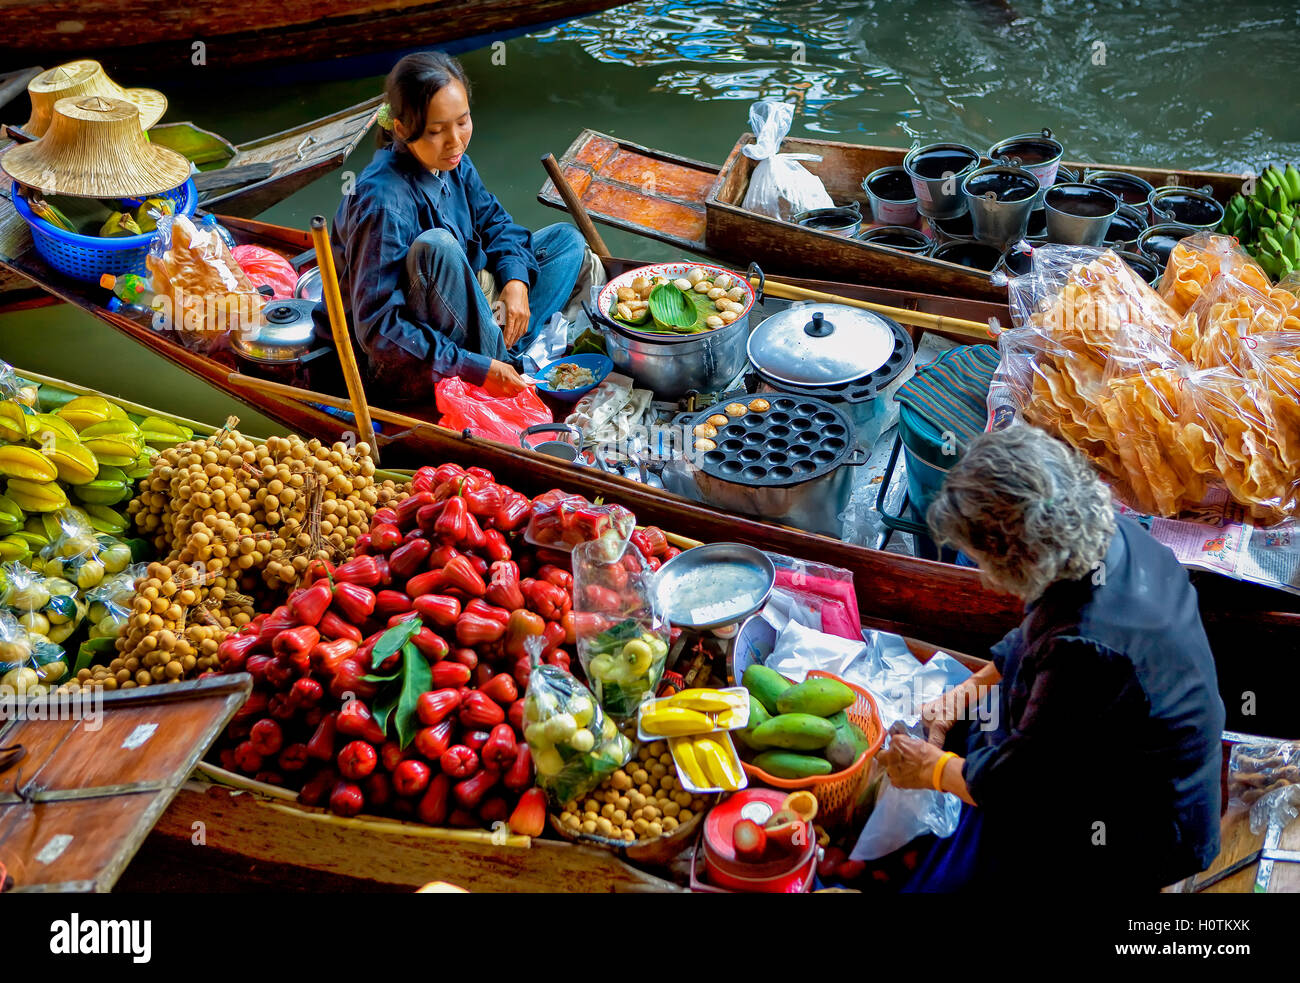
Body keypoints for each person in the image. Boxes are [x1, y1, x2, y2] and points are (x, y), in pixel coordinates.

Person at [877, 425, 1225, 892]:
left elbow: (1022, 786)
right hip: (1088, 740)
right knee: (962, 736)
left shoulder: (1086, 652)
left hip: (1137, 825)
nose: (980, 575)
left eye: (979, 558)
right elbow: (1034, 636)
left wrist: (931, 770)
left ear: (1019, 558)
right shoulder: (1103, 534)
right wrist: (962, 694)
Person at [314, 51, 590, 402]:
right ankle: (499, 362)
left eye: (463, 122)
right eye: (436, 130)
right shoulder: (382, 202)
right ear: (401, 128)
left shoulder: (453, 161)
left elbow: (496, 223)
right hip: (398, 362)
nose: (455, 141)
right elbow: (379, 331)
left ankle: (505, 353)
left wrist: (516, 281)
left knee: (566, 241)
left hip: (464, 313)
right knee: (436, 247)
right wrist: (473, 367)